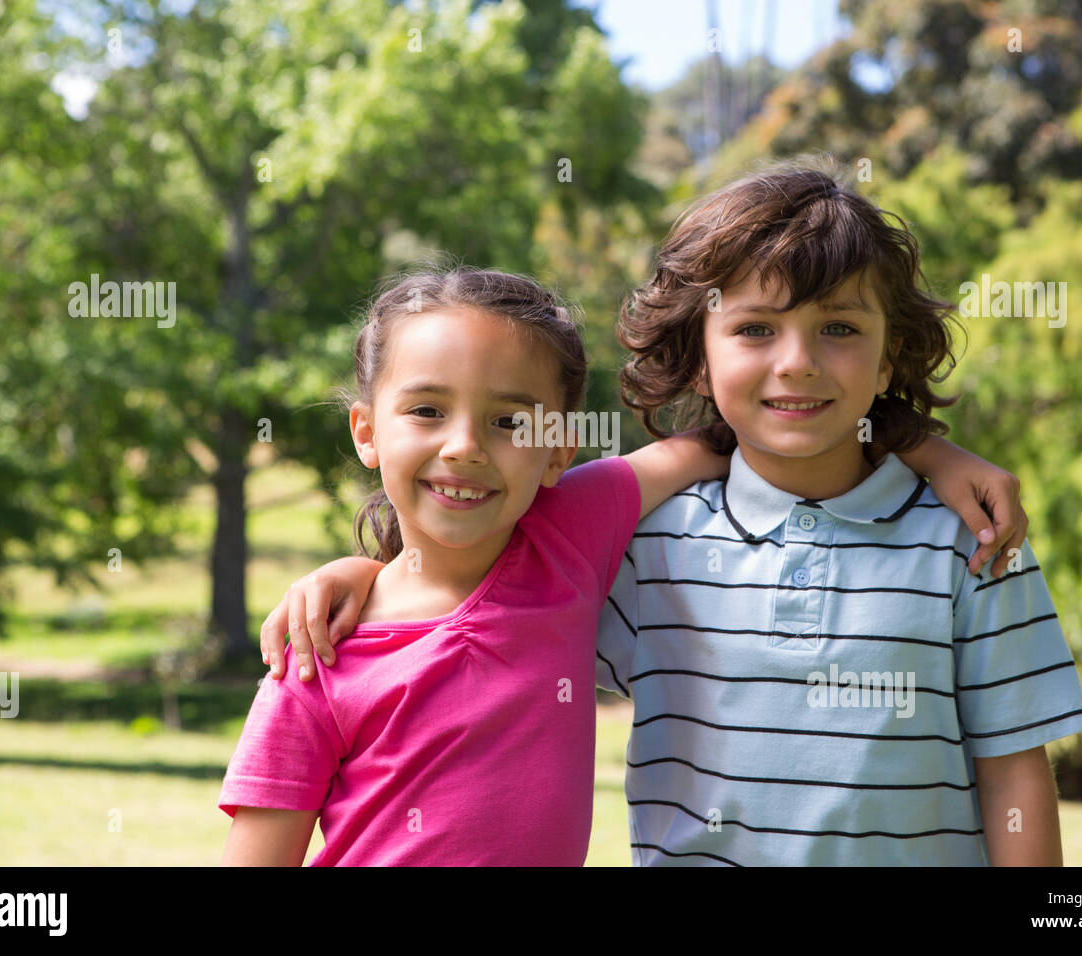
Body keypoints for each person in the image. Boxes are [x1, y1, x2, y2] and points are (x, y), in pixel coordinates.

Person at [265, 163, 1082, 867]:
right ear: (699, 355)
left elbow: (1015, 771)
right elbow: (470, 579)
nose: (796, 363)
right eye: (756, 329)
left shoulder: (974, 541)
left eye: (839, 327)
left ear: (891, 355)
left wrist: (927, 451)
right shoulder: (637, 544)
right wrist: (360, 575)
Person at [220, 267, 732, 865]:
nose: (464, 445)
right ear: (366, 432)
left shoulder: (567, 536)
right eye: (427, 410)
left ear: (559, 449)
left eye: (509, 422)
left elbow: (718, 442)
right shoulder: (316, 653)